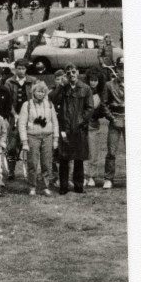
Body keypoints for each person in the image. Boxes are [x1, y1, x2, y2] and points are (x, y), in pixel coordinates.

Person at [51, 67, 92, 195]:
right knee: (64, 157)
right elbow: (53, 99)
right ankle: (63, 186)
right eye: (68, 73)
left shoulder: (85, 88)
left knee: (79, 158)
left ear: (77, 73)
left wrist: (81, 120)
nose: (71, 75)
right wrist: (60, 87)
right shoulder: (64, 88)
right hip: (65, 128)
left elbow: (90, 108)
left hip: (79, 128)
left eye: (74, 72)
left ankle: (78, 185)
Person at [18, 79, 59, 196]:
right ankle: (32, 186)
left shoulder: (50, 104)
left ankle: (45, 186)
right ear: (33, 92)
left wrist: (55, 139)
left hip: (47, 137)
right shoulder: (27, 105)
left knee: (47, 163)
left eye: (42, 92)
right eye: (38, 91)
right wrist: (24, 142)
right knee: (32, 163)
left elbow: (55, 122)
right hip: (32, 137)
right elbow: (22, 124)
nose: (40, 94)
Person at [1, 59, 34, 182]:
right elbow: (8, 101)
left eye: (23, 68)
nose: (21, 71)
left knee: (30, 144)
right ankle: (11, 170)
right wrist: (14, 114)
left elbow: (35, 99)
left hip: (29, 116)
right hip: (14, 117)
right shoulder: (9, 82)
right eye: (19, 68)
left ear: (26, 69)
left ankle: (30, 171)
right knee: (12, 145)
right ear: (15, 69)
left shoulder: (32, 81)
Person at [99, 65, 125, 189]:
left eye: (125, 69)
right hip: (115, 119)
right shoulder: (109, 85)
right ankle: (108, 178)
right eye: (120, 69)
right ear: (117, 70)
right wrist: (111, 118)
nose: (123, 72)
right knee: (111, 151)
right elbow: (103, 104)